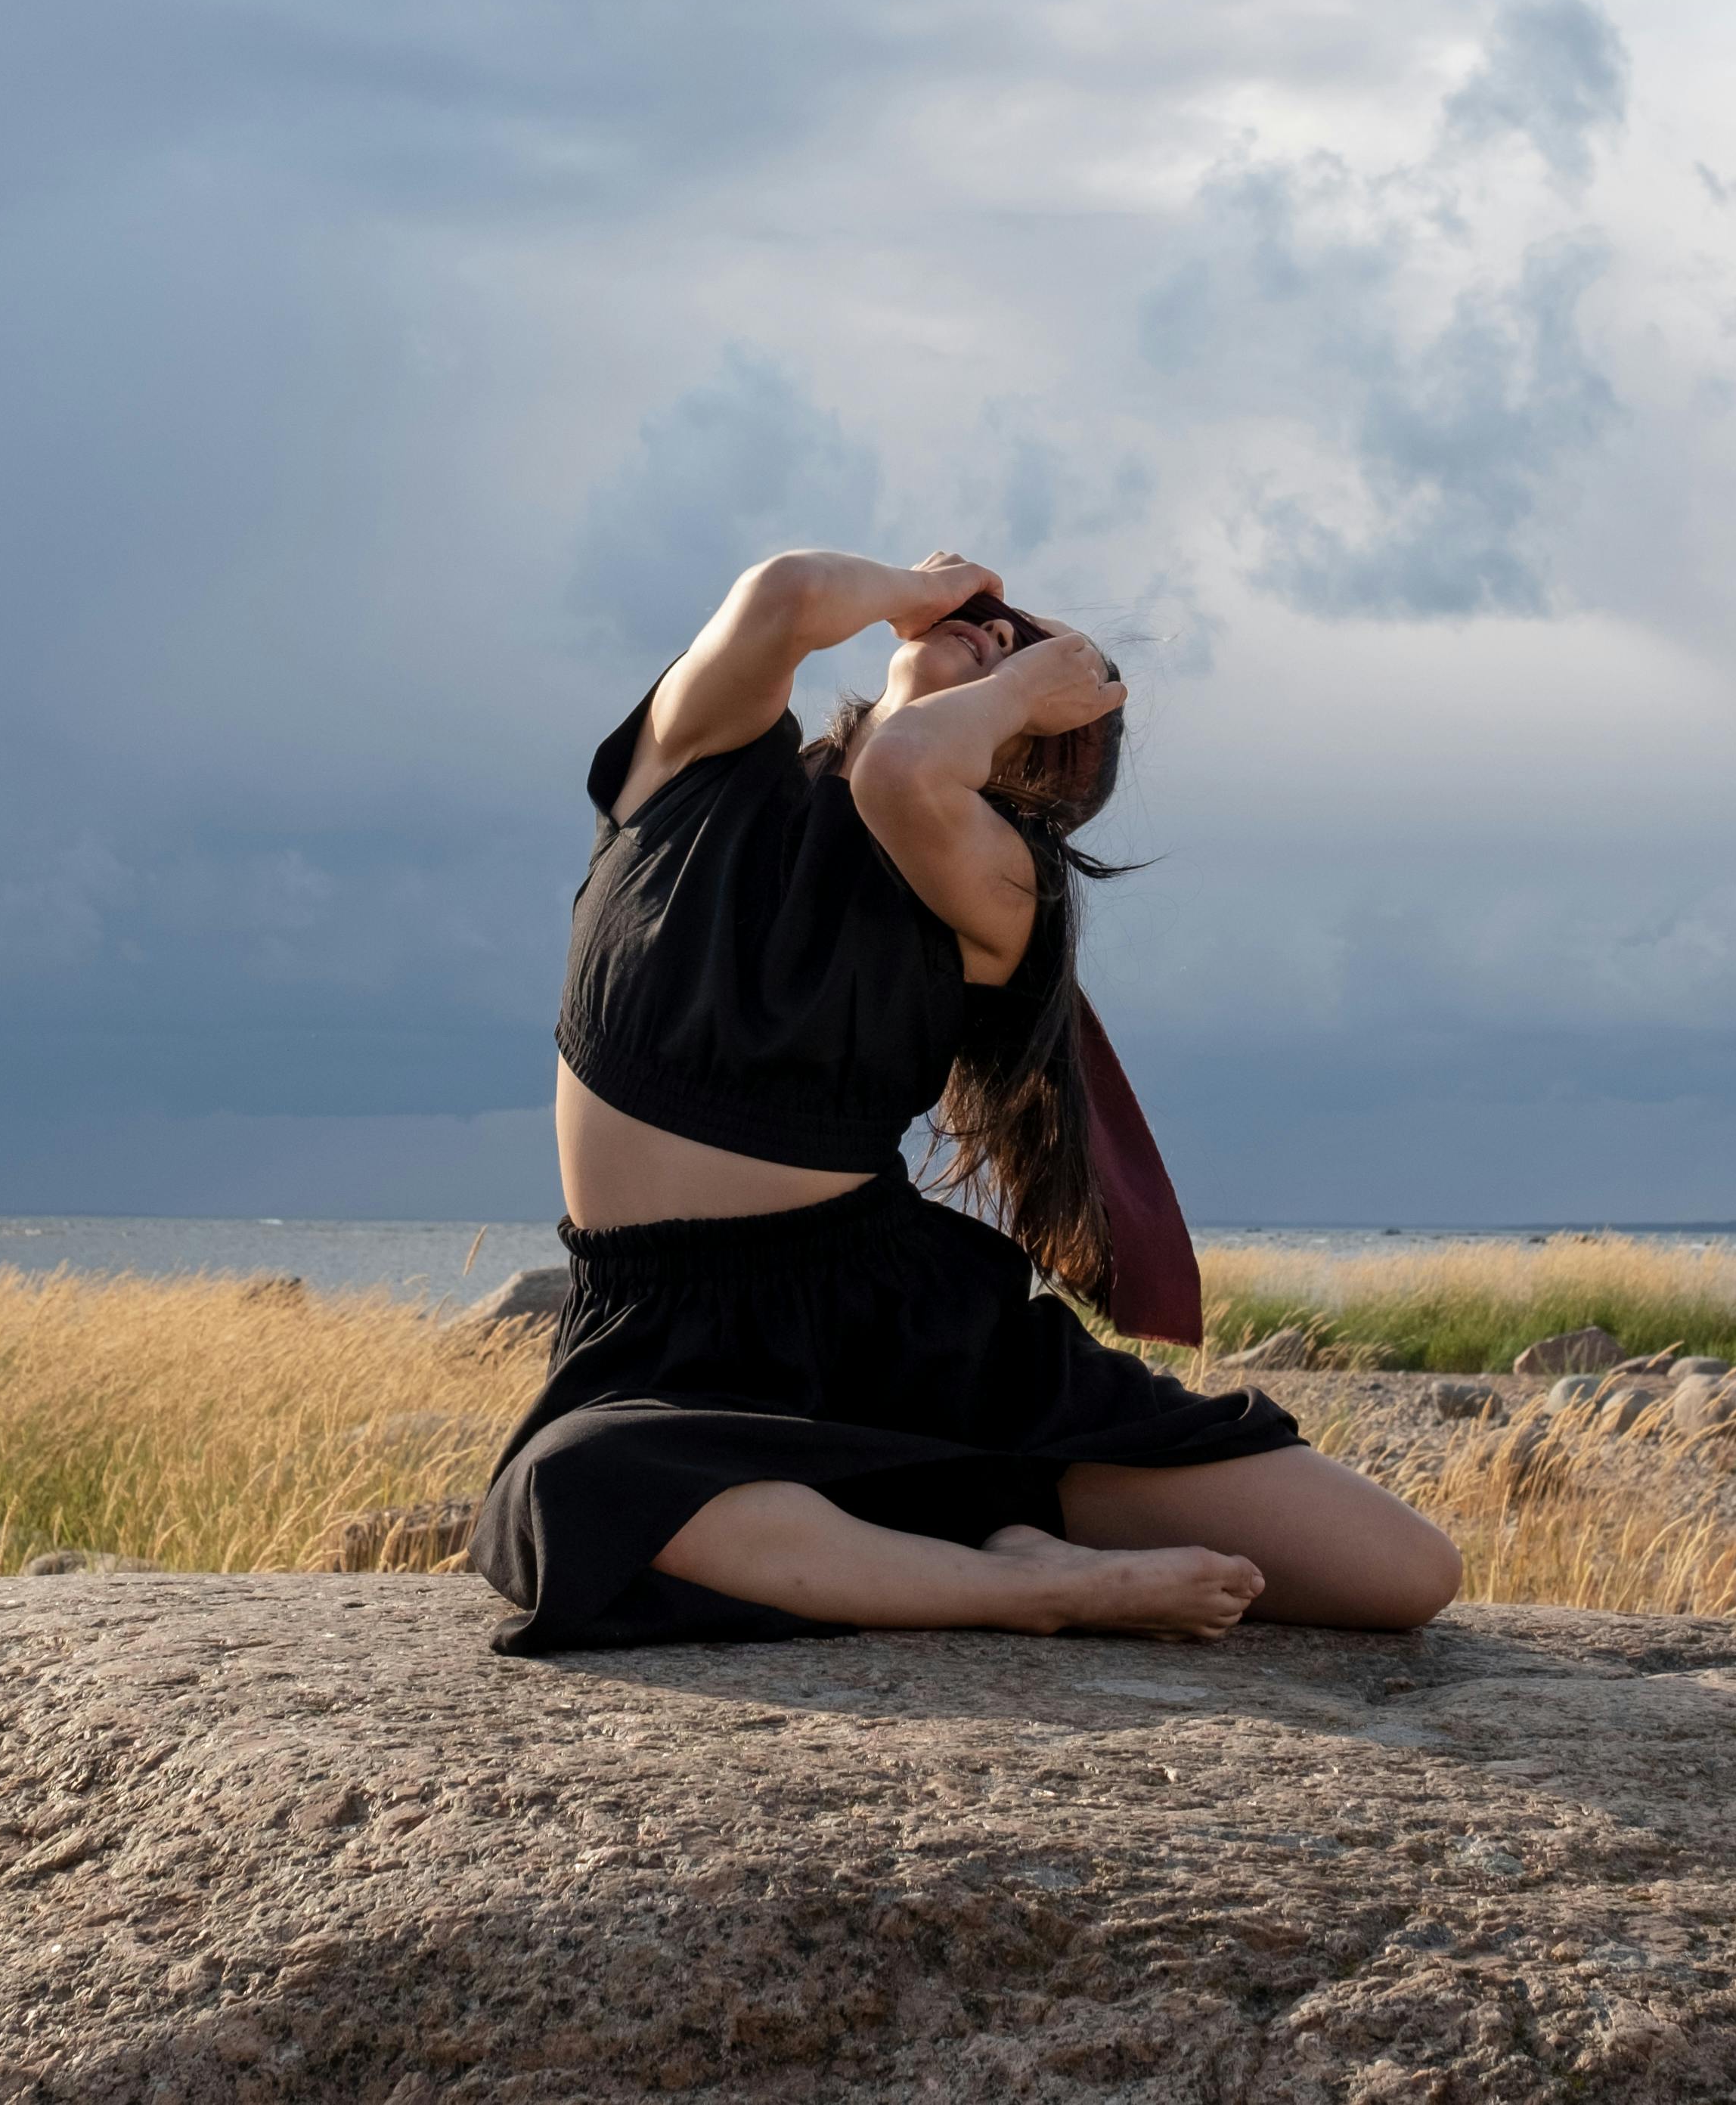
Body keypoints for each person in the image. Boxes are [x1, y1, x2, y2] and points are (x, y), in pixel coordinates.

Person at [469, 547, 1464, 1655]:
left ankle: (967, 1526)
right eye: (993, 619)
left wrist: (1005, 689)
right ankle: (1021, 1583)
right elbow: (783, 598)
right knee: (571, 1490)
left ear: (1043, 763)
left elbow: (900, 777)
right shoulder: (690, 767)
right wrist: (912, 589)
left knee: (1401, 1570)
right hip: (666, 1338)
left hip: (893, 1334)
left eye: (1031, 656)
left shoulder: (1000, 887)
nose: (999, 637)